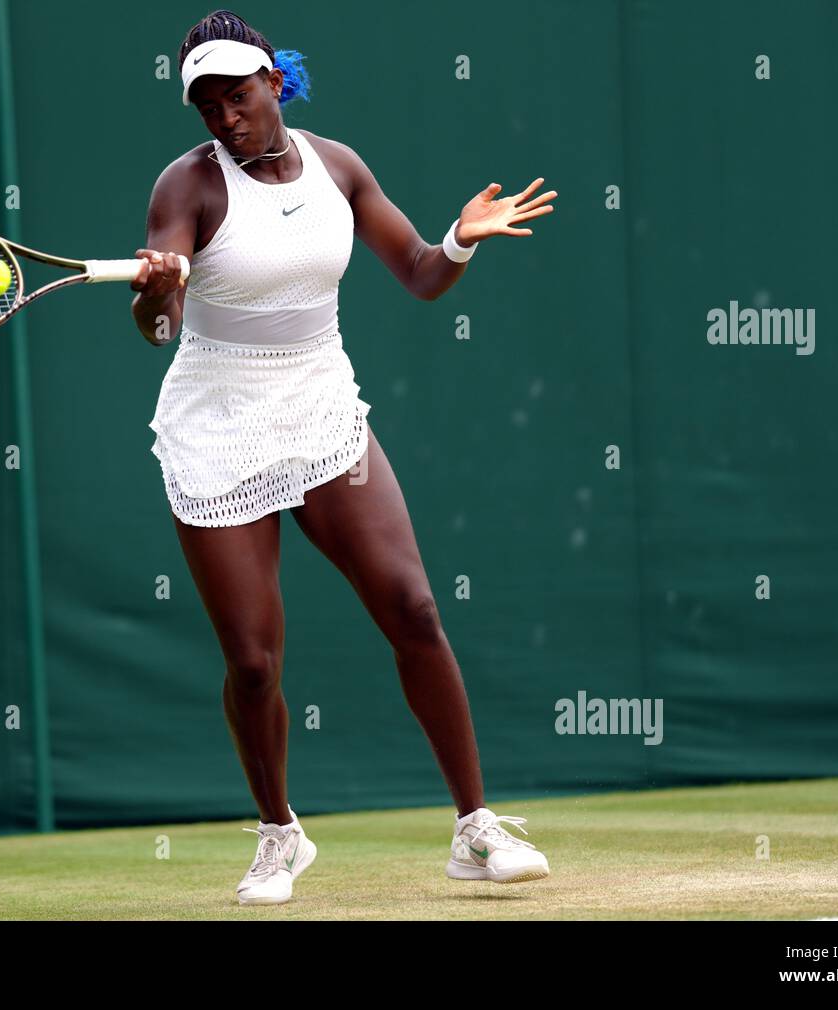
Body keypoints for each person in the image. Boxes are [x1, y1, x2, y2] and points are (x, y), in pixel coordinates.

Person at [130, 9, 558, 906]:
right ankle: (280, 835)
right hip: (218, 425)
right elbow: (160, 328)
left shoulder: (340, 166)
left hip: (321, 409)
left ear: (273, 83)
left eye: (236, 96)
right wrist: (156, 293)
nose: (223, 116)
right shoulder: (188, 186)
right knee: (252, 661)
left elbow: (420, 273)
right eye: (205, 103)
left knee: (412, 606)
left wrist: (458, 240)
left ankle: (475, 830)